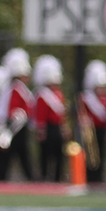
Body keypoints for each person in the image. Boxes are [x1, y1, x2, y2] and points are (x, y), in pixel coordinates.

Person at [78, 60, 106, 184]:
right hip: (90, 130)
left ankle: (99, 177)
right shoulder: (86, 98)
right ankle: (89, 177)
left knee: (101, 154)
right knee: (89, 154)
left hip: (102, 130)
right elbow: (82, 113)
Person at [1, 47, 37, 181]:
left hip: (21, 125)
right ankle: (27, 177)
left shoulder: (20, 88)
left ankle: (28, 176)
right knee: (16, 152)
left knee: (21, 153)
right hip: (15, 126)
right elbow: (13, 108)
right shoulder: (16, 88)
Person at [32, 54, 67, 182]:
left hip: (57, 127)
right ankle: (44, 175)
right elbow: (40, 114)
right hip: (48, 127)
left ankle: (58, 176)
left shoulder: (59, 94)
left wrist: (64, 127)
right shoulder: (42, 95)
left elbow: (62, 113)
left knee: (59, 153)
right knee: (46, 153)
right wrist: (41, 130)